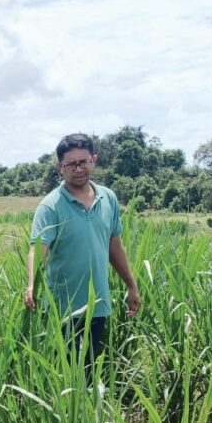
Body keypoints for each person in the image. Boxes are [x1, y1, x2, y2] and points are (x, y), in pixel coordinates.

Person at [23, 133, 141, 366]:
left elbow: (114, 245)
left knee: (89, 368)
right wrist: (31, 284)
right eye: (71, 164)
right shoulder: (51, 205)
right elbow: (38, 248)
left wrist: (131, 285)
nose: (78, 169)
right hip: (61, 307)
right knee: (62, 372)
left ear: (93, 161)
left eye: (83, 162)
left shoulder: (108, 198)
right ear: (60, 167)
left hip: (97, 304)